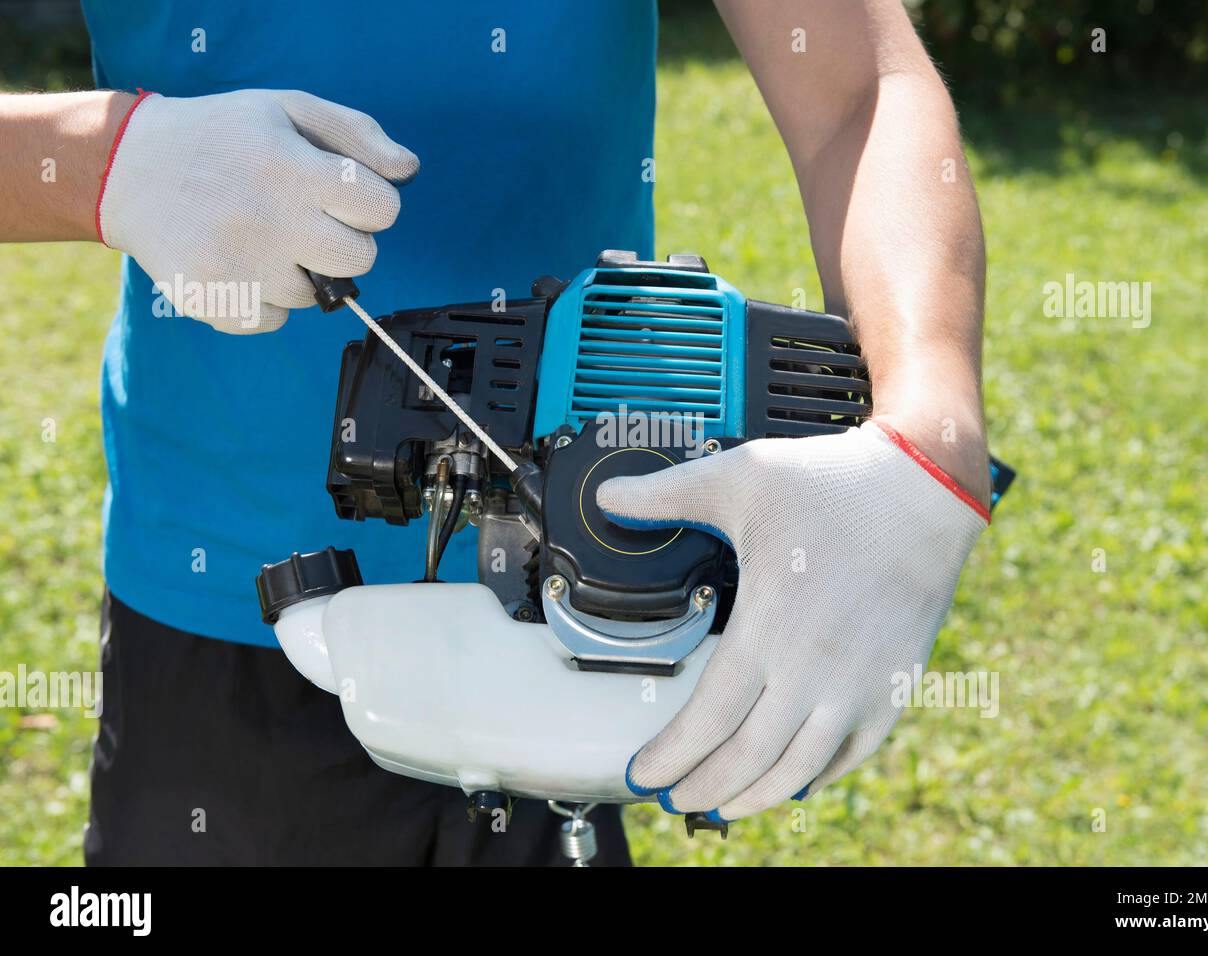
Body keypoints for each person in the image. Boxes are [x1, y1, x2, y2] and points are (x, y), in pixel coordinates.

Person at [0, 0, 992, 865]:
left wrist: (924, 441)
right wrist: (108, 162)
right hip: (225, 618)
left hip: (593, 604)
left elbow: (859, 89)